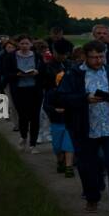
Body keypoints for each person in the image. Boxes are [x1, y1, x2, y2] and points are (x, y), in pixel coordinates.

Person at [55, 41, 109, 216]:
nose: (98, 60)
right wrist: (85, 98)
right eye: (94, 57)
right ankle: (92, 197)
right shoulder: (74, 74)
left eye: (101, 56)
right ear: (85, 57)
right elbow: (61, 98)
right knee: (88, 166)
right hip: (85, 128)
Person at [1, 35, 45, 152]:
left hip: (35, 90)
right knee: (23, 115)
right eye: (22, 43)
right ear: (18, 45)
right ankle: (24, 136)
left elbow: (44, 72)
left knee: (35, 117)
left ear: (31, 44)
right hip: (19, 90)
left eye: (27, 43)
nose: (24, 46)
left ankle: (33, 144)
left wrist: (37, 72)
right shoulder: (10, 57)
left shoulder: (37, 56)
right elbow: (6, 73)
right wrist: (17, 75)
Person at [41, 49, 74, 177]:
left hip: (69, 122)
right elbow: (46, 106)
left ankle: (69, 168)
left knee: (69, 145)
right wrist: (54, 110)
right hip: (56, 122)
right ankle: (60, 160)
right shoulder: (52, 93)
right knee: (57, 146)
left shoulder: (72, 93)